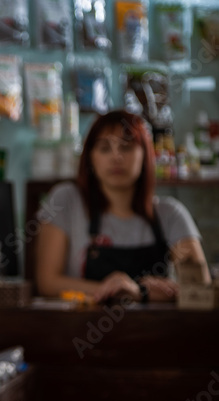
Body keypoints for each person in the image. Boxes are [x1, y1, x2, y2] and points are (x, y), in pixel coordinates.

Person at [35, 110, 210, 302]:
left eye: (126, 147)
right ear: (90, 157)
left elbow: (199, 288)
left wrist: (138, 291)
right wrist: (122, 290)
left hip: (153, 323)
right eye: (104, 148)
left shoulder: (171, 214)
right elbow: (47, 282)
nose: (116, 157)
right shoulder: (66, 200)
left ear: (145, 155)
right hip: (81, 320)